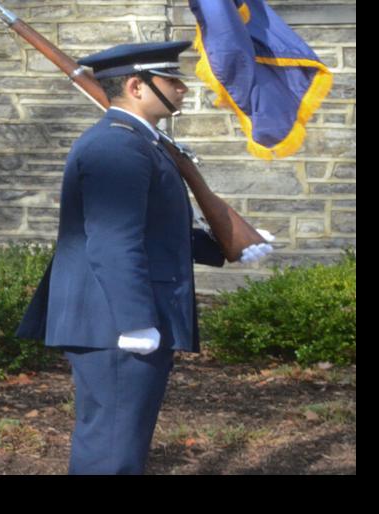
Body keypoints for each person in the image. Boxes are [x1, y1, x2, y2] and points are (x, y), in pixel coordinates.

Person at [16, 40, 274, 475]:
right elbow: (113, 240)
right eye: (171, 80)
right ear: (137, 85)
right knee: (111, 451)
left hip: (117, 318)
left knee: (123, 444)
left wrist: (228, 246)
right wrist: (134, 320)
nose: (183, 88)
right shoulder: (117, 147)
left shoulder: (139, 143)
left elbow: (151, 227)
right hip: (115, 322)